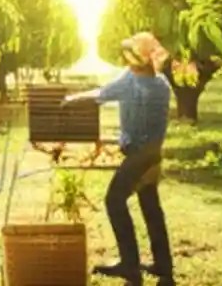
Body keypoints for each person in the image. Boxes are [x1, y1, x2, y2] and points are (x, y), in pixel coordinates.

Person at [63, 32, 174, 285]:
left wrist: (71, 99)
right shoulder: (160, 83)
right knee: (151, 208)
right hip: (154, 153)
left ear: (137, 59)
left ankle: (130, 265)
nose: (124, 59)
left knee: (114, 200)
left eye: (128, 54)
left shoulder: (135, 83)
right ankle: (163, 267)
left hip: (140, 155)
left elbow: (102, 94)